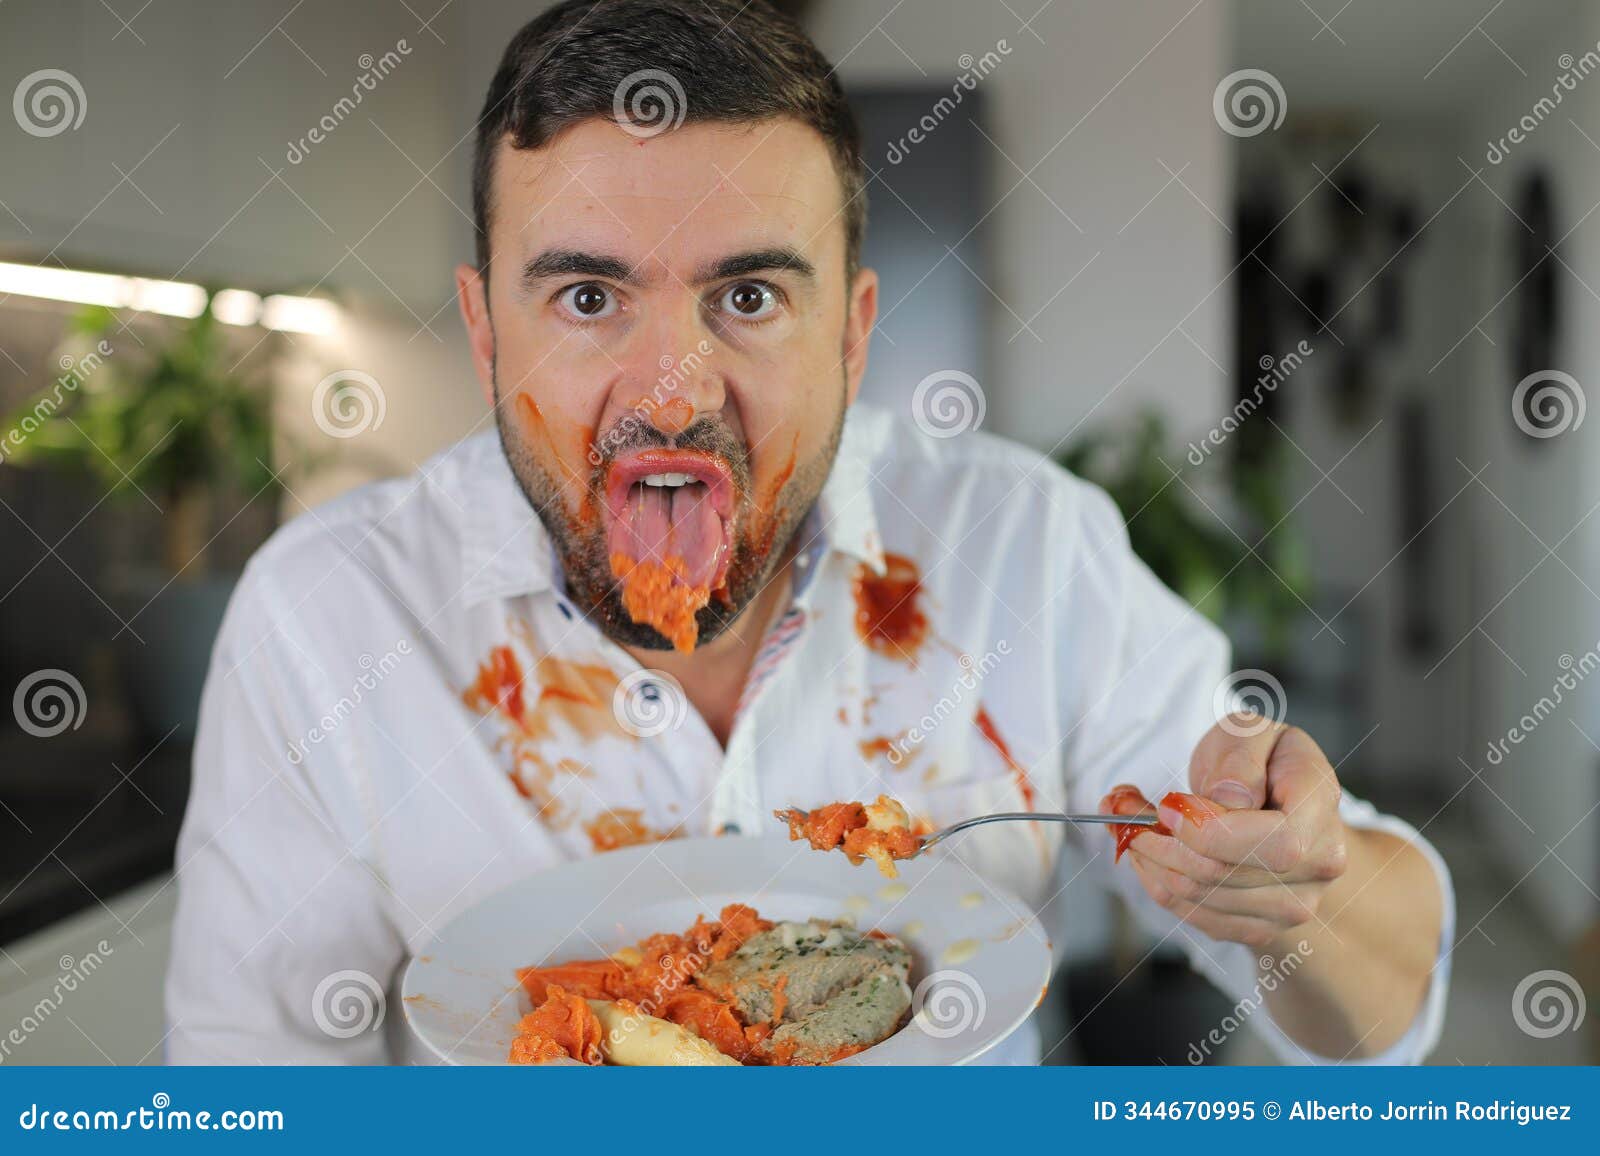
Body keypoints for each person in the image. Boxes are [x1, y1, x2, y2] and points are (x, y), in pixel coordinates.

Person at [166, 0, 1450, 1064]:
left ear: (852, 328)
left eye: (747, 292)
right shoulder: (330, 619)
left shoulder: (1028, 551)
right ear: (486, 326)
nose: (671, 391)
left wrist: (1296, 885)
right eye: (588, 292)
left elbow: (1383, 1006)